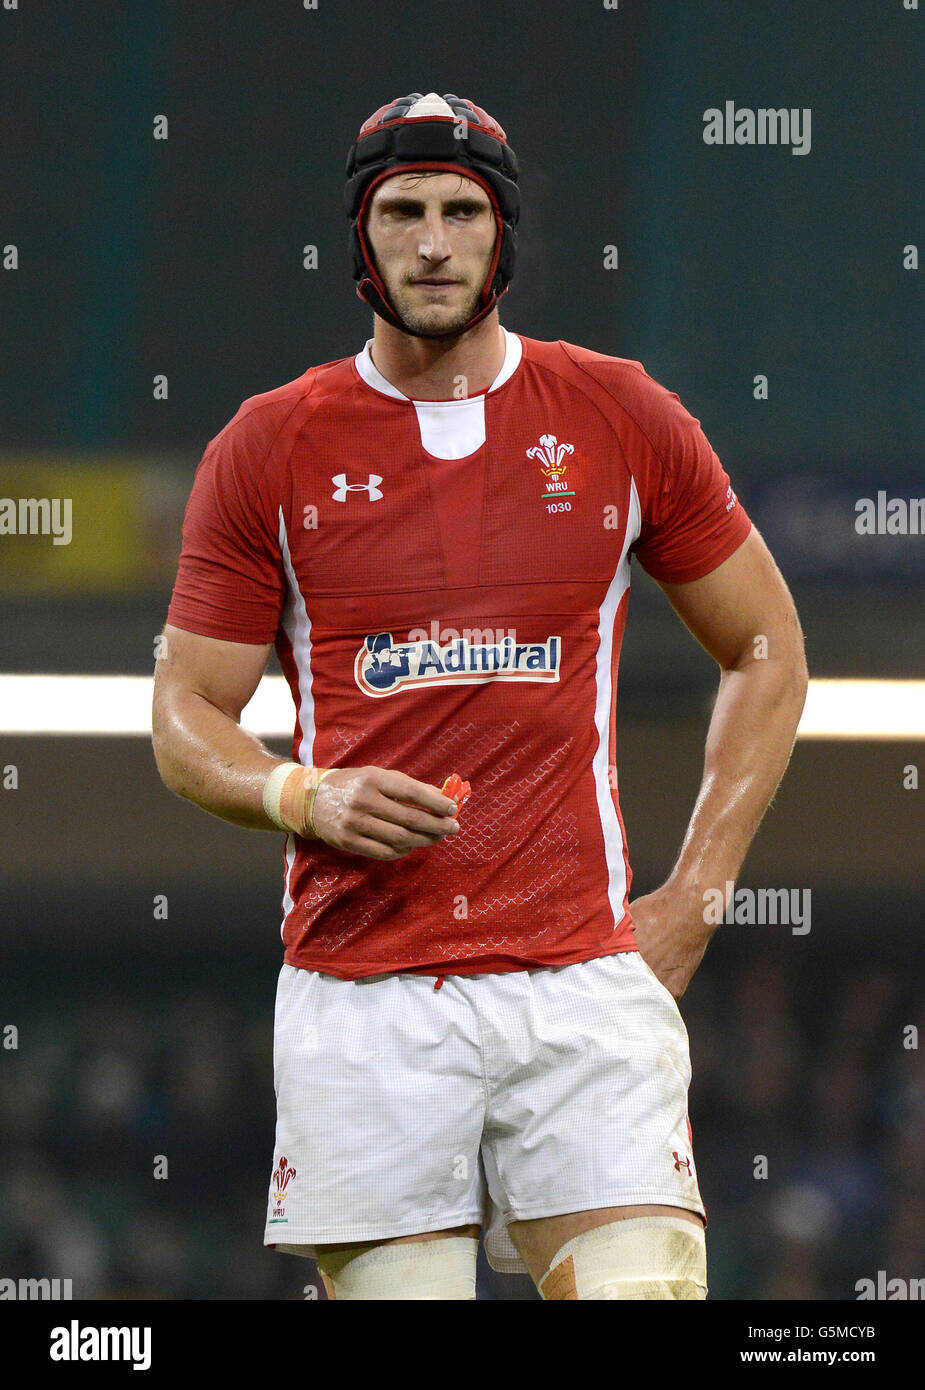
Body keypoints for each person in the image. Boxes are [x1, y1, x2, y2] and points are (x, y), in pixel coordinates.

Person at [152, 91, 808, 1300]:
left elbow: (768, 646)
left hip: (579, 985)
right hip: (365, 1000)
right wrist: (300, 792)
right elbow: (185, 716)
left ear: (503, 234)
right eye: (402, 211)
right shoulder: (268, 445)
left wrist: (700, 893)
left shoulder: (619, 413)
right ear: (361, 236)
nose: (434, 241)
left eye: (463, 210)